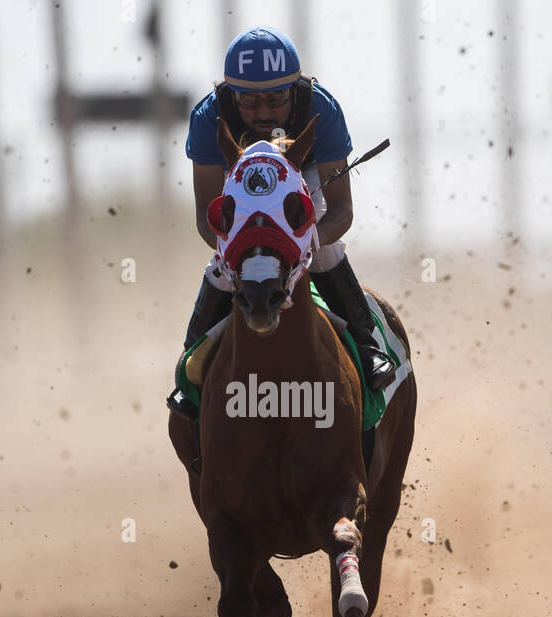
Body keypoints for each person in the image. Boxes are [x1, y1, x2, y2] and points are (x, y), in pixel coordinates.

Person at [167, 26, 396, 420]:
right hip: (238, 189)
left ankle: (368, 346)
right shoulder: (208, 118)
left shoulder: (322, 109)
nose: (263, 113)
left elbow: (341, 210)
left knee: (324, 253)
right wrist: (229, 250)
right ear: (231, 95)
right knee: (222, 268)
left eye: (275, 99)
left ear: (294, 90)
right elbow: (208, 216)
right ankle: (191, 368)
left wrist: (308, 240)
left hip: (300, 182)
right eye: (249, 101)